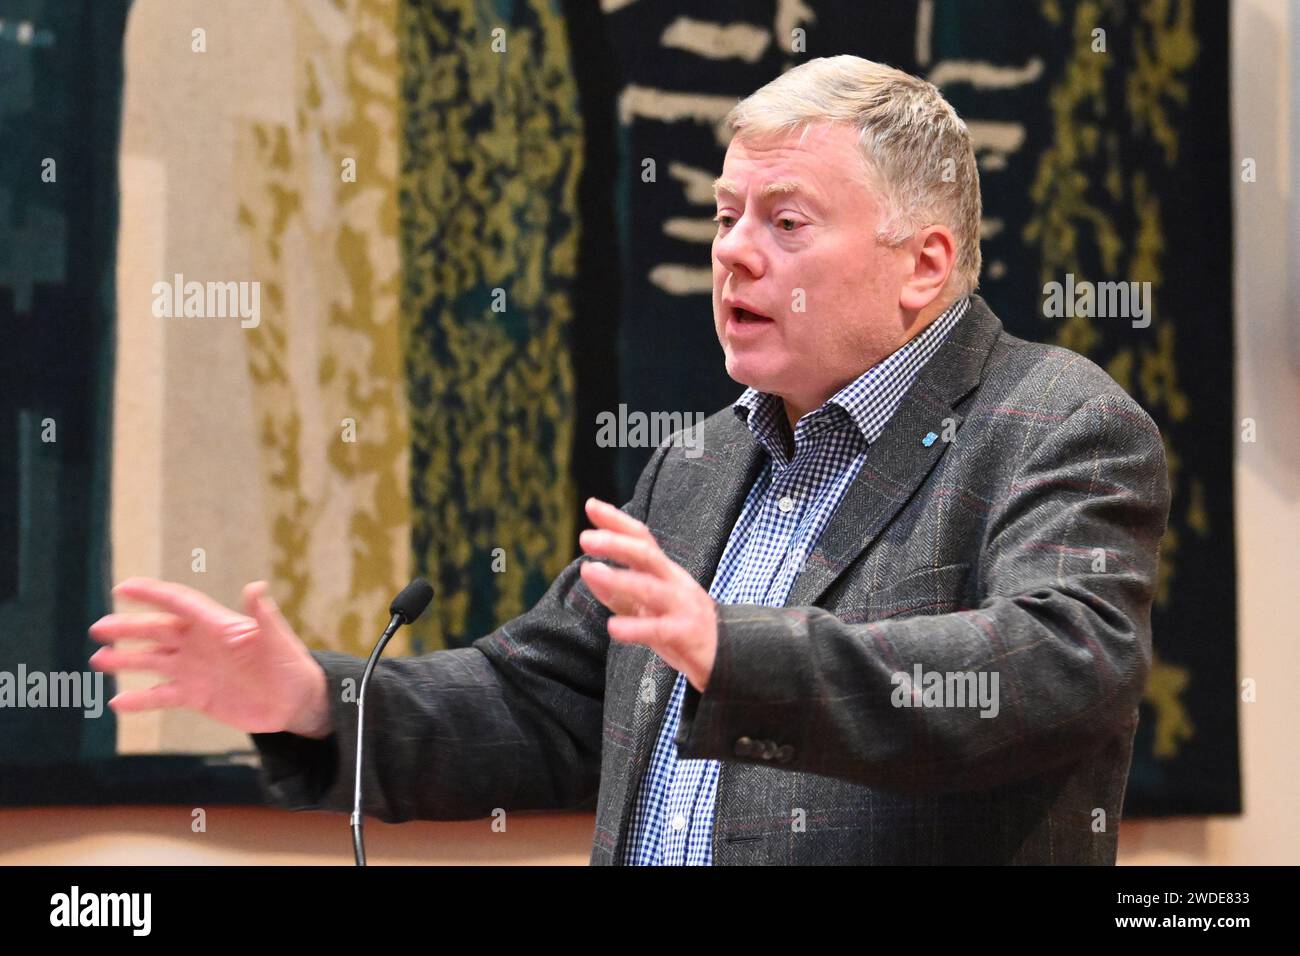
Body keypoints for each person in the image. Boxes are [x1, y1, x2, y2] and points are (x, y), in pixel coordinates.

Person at [89, 55, 1170, 865]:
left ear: (923, 265)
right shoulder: (699, 462)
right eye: (726, 214)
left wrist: (732, 652)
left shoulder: (1053, 422)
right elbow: (543, 702)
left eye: (786, 222)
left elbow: (1051, 667)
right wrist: (317, 697)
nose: (734, 250)